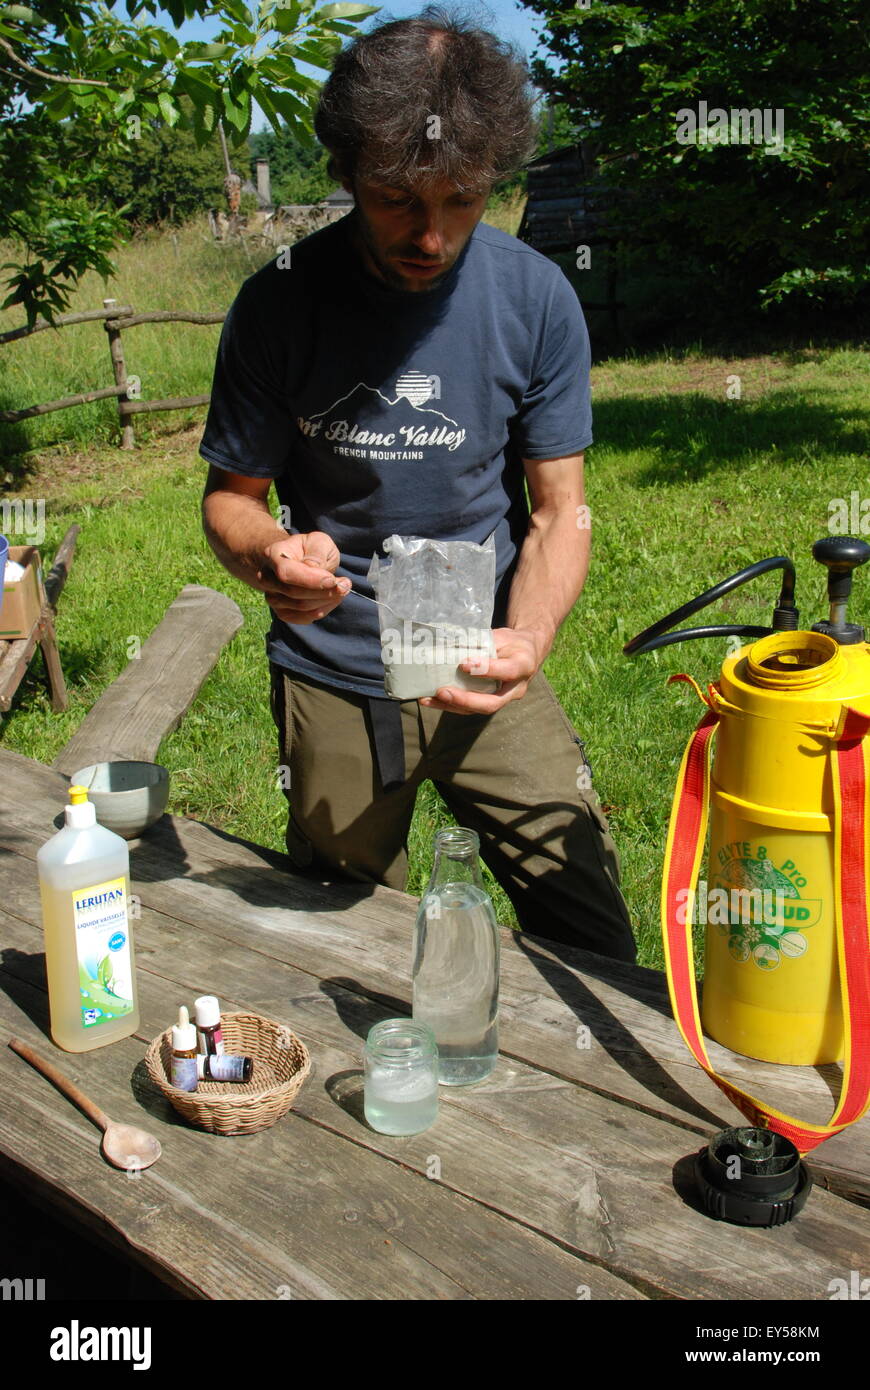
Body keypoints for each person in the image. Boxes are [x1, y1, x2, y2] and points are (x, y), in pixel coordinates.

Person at [200, 5, 636, 963]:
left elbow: (563, 510)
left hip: (482, 658)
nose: (431, 236)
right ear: (350, 172)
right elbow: (229, 497)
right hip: (338, 666)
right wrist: (272, 553)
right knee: (344, 946)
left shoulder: (535, 298)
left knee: (597, 936)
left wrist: (530, 637)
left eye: (463, 201)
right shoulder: (279, 300)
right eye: (400, 198)